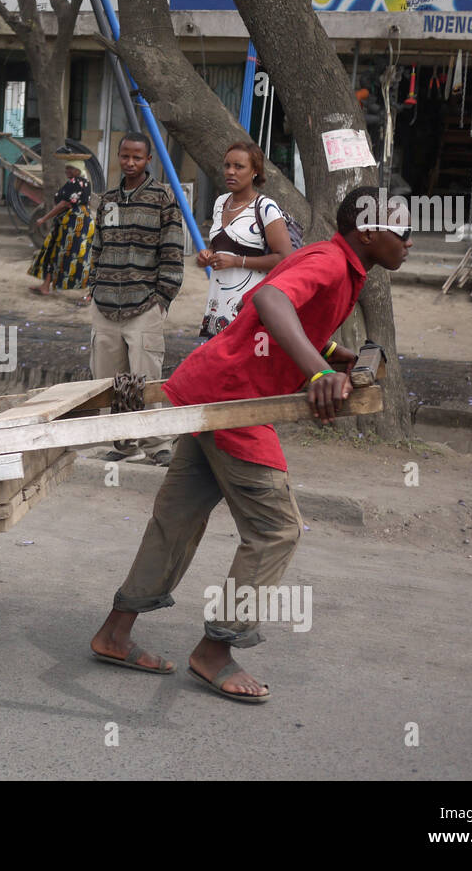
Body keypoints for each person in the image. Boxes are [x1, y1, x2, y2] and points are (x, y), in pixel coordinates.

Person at [89, 185, 412, 702]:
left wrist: (331, 350)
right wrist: (319, 372)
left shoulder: (334, 263)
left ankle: (114, 632)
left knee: (177, 518)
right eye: (404, 229)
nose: (410, 242)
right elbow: (267, 299)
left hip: (212, 387)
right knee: (276, 528)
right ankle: (215, 652)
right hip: (235, 399)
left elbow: (278, 315)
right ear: (370, 231)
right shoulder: (330, 263)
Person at [87, 131, 186, 466]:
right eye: (125, 156)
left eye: (137, 157)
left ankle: (158, 444)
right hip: (104, 304)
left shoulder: (163, 199)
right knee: (110, 380)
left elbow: (173, 252)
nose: (130, 162)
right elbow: (97, 247)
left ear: (148, 160)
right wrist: (92, 285)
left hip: (145, 305)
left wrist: (163, 297)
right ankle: (125, 443)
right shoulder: (109, 200)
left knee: (144, 378)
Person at [196, 141, 292, 339]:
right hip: (217, 305)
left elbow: (284, 258)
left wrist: (236, 261)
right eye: (227, 166)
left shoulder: (266, 208)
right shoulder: (220, 202)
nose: (230, 172)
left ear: (254, 171)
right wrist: (208, 255)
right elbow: (219, 245)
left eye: (239, 167)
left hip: (249, 305)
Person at [27, 155, 96, 301]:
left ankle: (91, 292)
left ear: (78, 170)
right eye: (67, 168)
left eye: (70, 168)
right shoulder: (81, 182)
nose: (67, 171)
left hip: (75, 225)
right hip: (71, 222)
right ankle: (46, 286)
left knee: (76, 257)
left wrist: (44, 218)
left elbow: (64, 204)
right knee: (55, 251)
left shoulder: (75, 183)